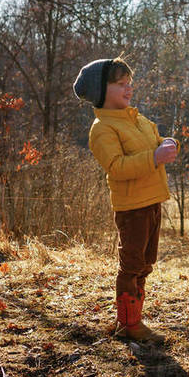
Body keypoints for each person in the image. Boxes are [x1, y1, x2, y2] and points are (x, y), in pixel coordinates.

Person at [73, 57, 178, 342]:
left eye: (129, 82)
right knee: (131, 265)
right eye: (120, 84)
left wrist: (166, 144)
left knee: (145, 264)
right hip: (131, 207)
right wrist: (154, 158)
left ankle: (135, 321)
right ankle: (128, 325)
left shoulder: (136, 118)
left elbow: (153, 145)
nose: (128, 88)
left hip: (152, 200)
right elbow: (117, 167)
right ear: (100, 91)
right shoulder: (102, 129)